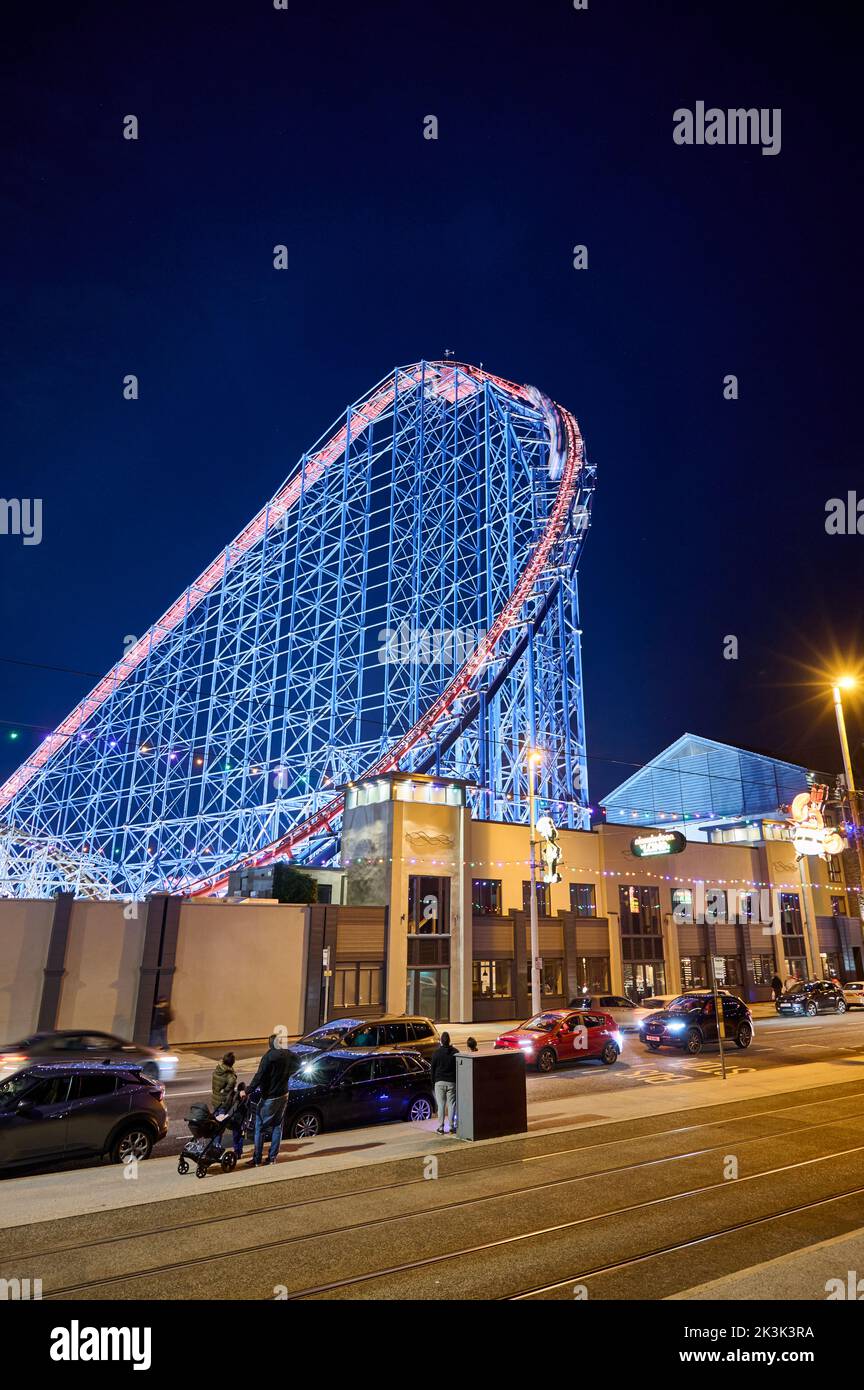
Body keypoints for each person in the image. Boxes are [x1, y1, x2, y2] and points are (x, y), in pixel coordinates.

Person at [248, 1033, 299, 1166]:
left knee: (260, 1126)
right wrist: (288, 1073)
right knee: (277, 1126)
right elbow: (298, 1063)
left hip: (270, 1097)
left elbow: (259, 1076)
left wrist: (248, 1090)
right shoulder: (288, 1054)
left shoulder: (268, 1057)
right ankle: (272, 1158)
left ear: (270, 1044)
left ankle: (257, 1158)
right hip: (284, 1094)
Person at [430, 1031, 459, 1135]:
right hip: (452, 1082)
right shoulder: (455, 1052)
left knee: (441, 1105)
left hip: (439, 1082)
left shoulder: (436, 1053)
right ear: (449, 1040)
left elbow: (432, 1069)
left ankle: (441, 1128)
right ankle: (452, 1127)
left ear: (441, 1041)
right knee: (452, 1105)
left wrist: (433, 1083)